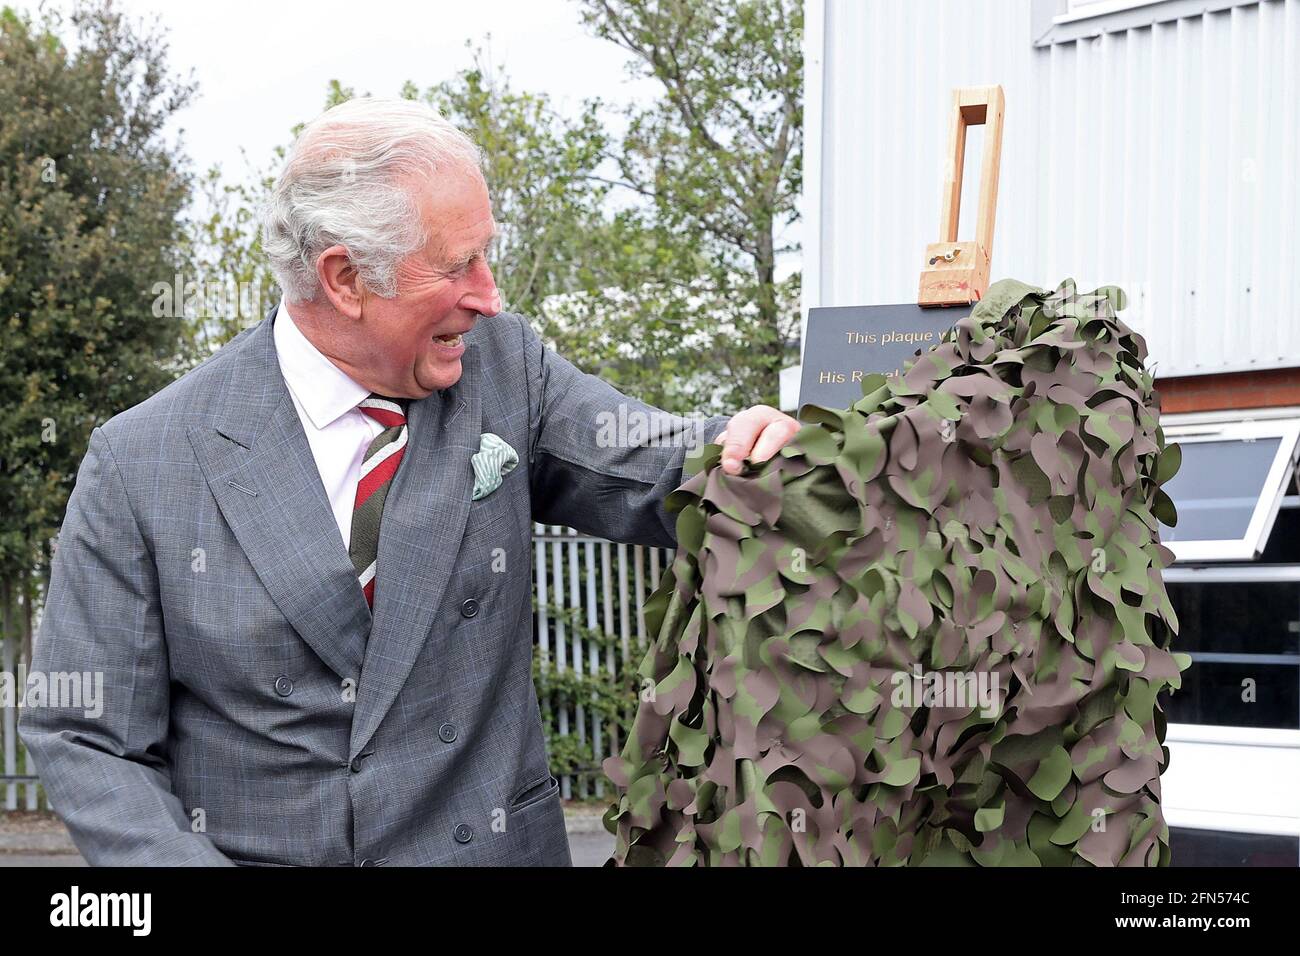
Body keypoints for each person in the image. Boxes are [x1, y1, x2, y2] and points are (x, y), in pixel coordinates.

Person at [18, 97, 799, 866]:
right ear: (345, 278)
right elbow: (88, 739)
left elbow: (661, 464)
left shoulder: (505, 369)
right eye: (458, 265)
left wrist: (759, 451)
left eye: (486, 254)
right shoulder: (142, 461)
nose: (489, 296)